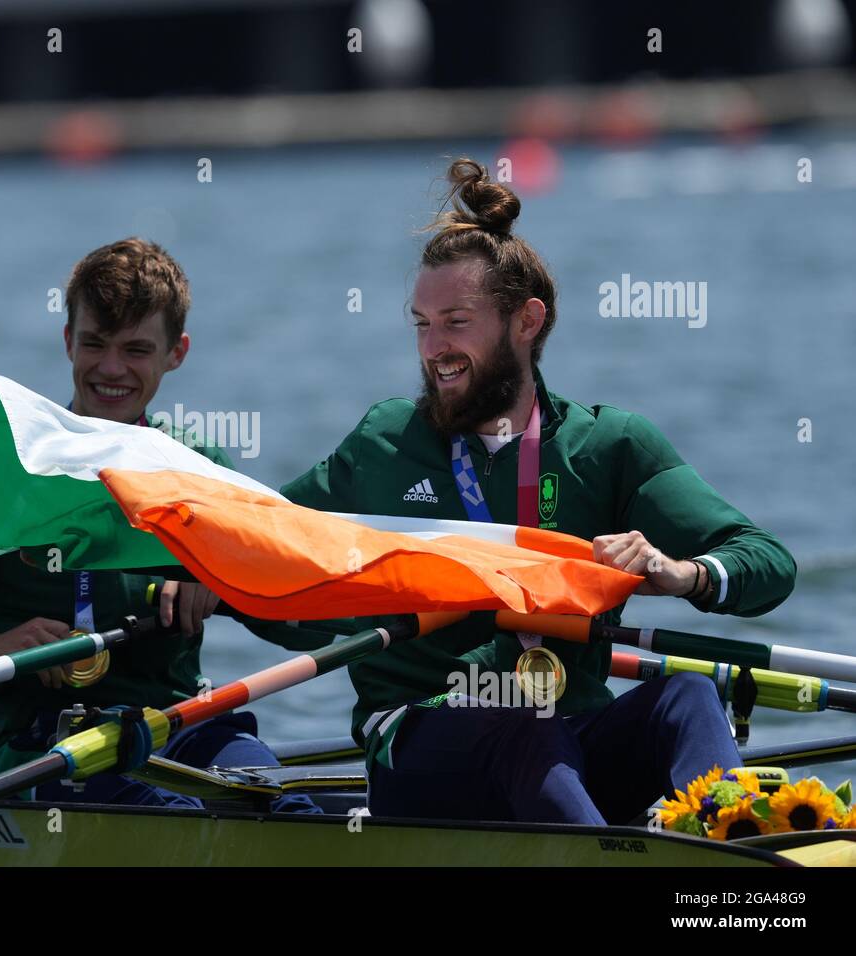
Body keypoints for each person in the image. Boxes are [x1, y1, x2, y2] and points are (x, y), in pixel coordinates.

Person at [279, 160, 796, 825]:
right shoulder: (382, 441)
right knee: (523, 723)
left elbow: (767, 562)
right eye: (421, 324)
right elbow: (269, 539)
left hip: (564, 732)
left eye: (456, 322)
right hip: (423, 742)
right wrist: (202, 577)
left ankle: (738, 845)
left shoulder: (610, 446)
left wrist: (683, 574)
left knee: (689, 696)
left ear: (527, 321)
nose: (433, 348)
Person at [0, 238, 318, 812]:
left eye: (135, 350)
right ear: (67, 342)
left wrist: (227, 579)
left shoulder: (197, 473)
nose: (111, 369)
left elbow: (310, 619)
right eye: (94, 344)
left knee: (287, 812)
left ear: (176, 352)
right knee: (171, 820)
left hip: (187, 727)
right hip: (47, 744)